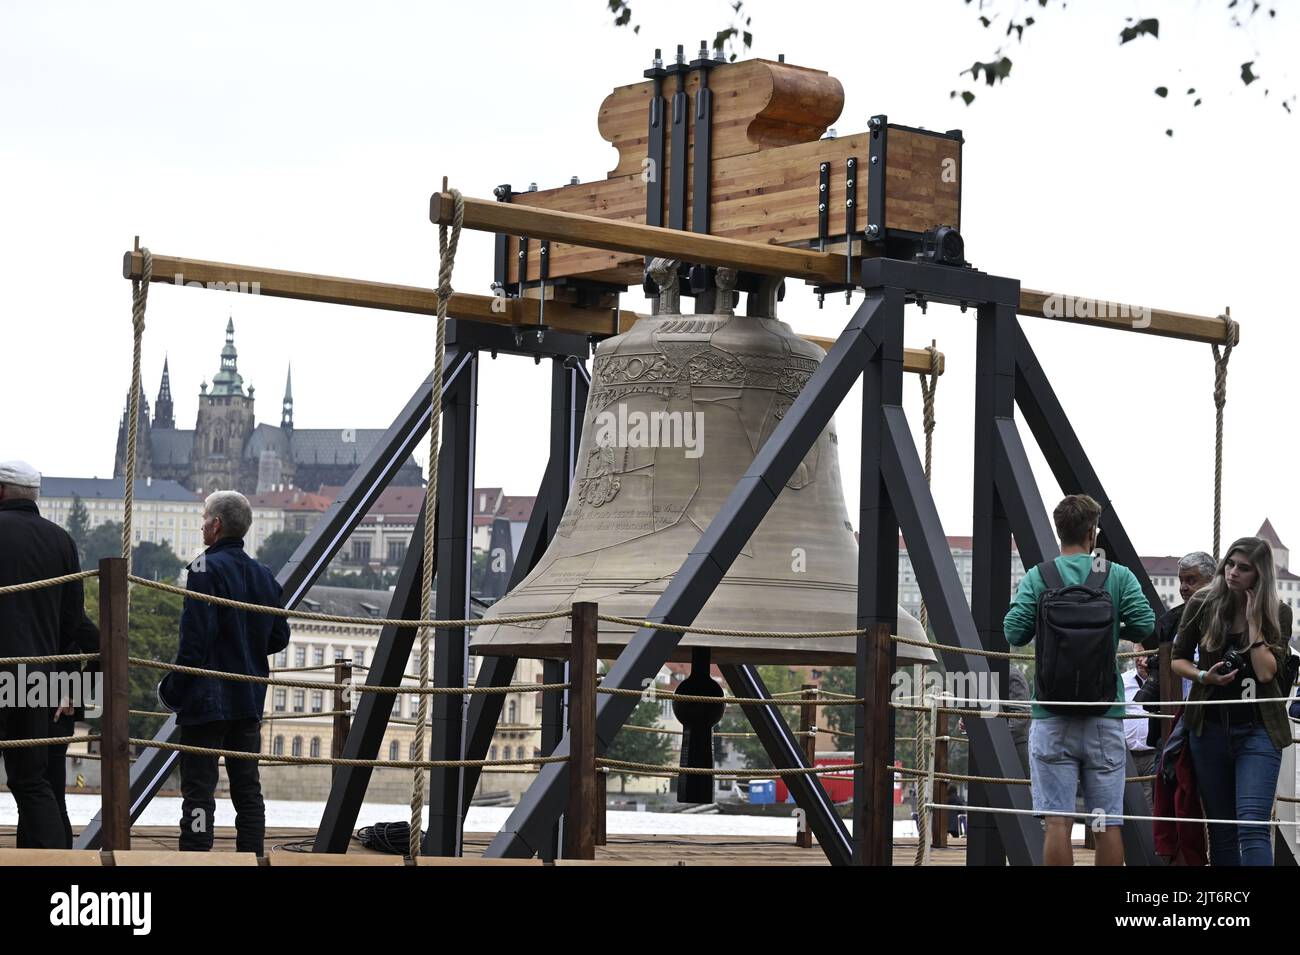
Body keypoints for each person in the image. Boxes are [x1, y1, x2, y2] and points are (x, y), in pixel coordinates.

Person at [1003, 494, 1155, 866]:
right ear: (1093, 533)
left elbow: (1013, 632)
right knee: (1106, 823)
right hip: (1103, 715)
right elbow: (1147, 626)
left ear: (1060, 531)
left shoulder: (1041, 576)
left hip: (1051, 716)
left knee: (1057, 821)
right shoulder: (1116, 575)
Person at [160, 490, 290, 855]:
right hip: (248, 697)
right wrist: (245, 646)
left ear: (215, 525)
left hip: (207, 699)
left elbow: (195, 644)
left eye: (204, 518)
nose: (202, 524)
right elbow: (279, 636)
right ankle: (252, 856)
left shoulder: (203, 568)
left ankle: (198, 854)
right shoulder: (263, 575)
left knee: (199, 792)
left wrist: (172, 689)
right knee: (247, 788)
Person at [1171, 537, 1294, 866]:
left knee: (1252, 827)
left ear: (1260, 576)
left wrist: (1255, 621)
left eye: (1244, 568)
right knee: (1221, 830)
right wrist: (1203, 677)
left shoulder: (1278, 613)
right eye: (1230, 564)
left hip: (1258, 730)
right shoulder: (1202, 603)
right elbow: (1178, 659)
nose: (1232, 572)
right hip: (1209, 730)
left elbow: (1267, 673)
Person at [0, 460, 94, 848]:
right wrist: (77, 689)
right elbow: (74, 625)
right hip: (38, 681)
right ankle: (55, 865)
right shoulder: (61, 541)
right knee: (32, 783)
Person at [1120, 644, 1157, 807]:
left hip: (1153, 754)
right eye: (1137, 654)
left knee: (1151, 805)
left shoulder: (1164, 680)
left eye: (1145, 654)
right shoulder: (1122, 681)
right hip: (1127, 755)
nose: (1140, 660)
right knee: (1130, 804)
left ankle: (1151, 833)